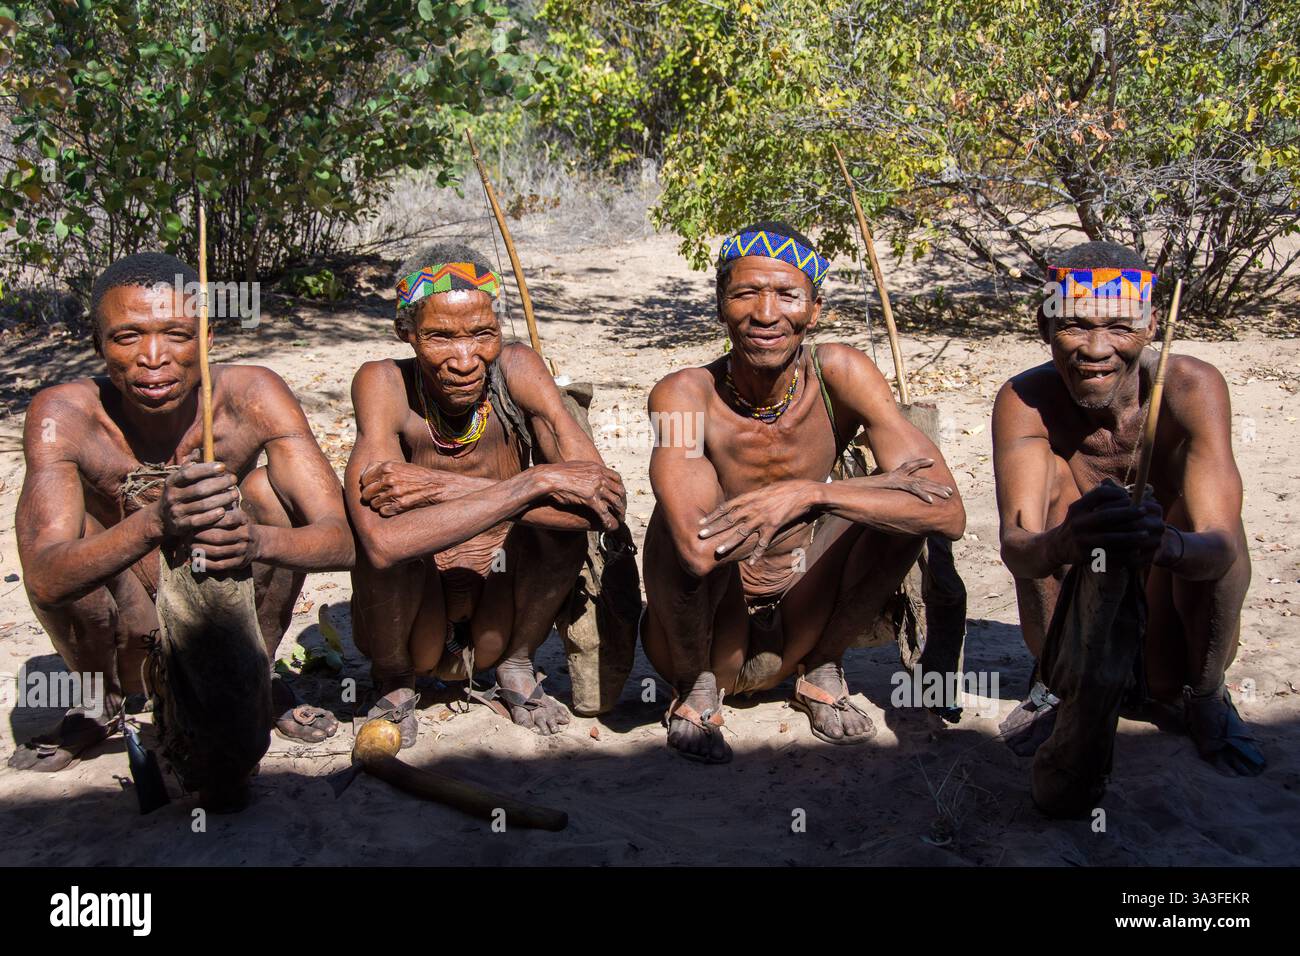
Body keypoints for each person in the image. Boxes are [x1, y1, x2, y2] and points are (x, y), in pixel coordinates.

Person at [11, 253, 355, 771]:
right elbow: (44, 580)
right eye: (127, 337)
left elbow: (342, 540)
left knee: (271, 495)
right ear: (98, 345)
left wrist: (257, 541)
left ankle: (254, 675)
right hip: (133, 632)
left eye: (176, 333)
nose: (154, 357)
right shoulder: (64, 413)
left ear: (207, 339)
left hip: (224, 616)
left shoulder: (252, 395)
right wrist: (153, 523)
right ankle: (99, 698)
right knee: (67, 531)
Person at [642, 222, 965, 763]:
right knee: (674, 527)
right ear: (721, 305)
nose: (766, 315)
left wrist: (811, 495)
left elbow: (948, 512)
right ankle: (696, 693)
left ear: (814, 311)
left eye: (787, 296)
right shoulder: (682, 395)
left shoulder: (840, 372)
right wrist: (858, 488)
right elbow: (699, 549)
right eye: (745, 294)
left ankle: (822, 669)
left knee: (903, 518)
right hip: (710, 635)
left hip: (803, 608)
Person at [992, 240, 1264, 775]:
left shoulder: (1191, 387)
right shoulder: (1026, 401)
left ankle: (1207, 693)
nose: (1095, 349)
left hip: (1168, 627)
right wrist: (1064, 541)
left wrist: (1166, 542)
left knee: (1222, 534)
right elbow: (1018, 549)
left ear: (1152, 324)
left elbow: (1218, 552)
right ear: (1044, 327)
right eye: (1073, 325)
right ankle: (1054, 684)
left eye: (1120, 327)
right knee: (1050, 500)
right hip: (1074, 626)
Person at [345, 242, 626, 741]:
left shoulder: (518, 368)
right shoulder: (383, 383)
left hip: (502, 611)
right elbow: (383, 545)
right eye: (439, 337)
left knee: (560, 531)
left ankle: (517, 665)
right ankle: (393, 682)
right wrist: (536, 484)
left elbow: (601, 506)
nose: (464, 359)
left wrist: (441, 486)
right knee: (387, 545)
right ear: (405, 333)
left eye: (482, 334)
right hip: (416, 624)